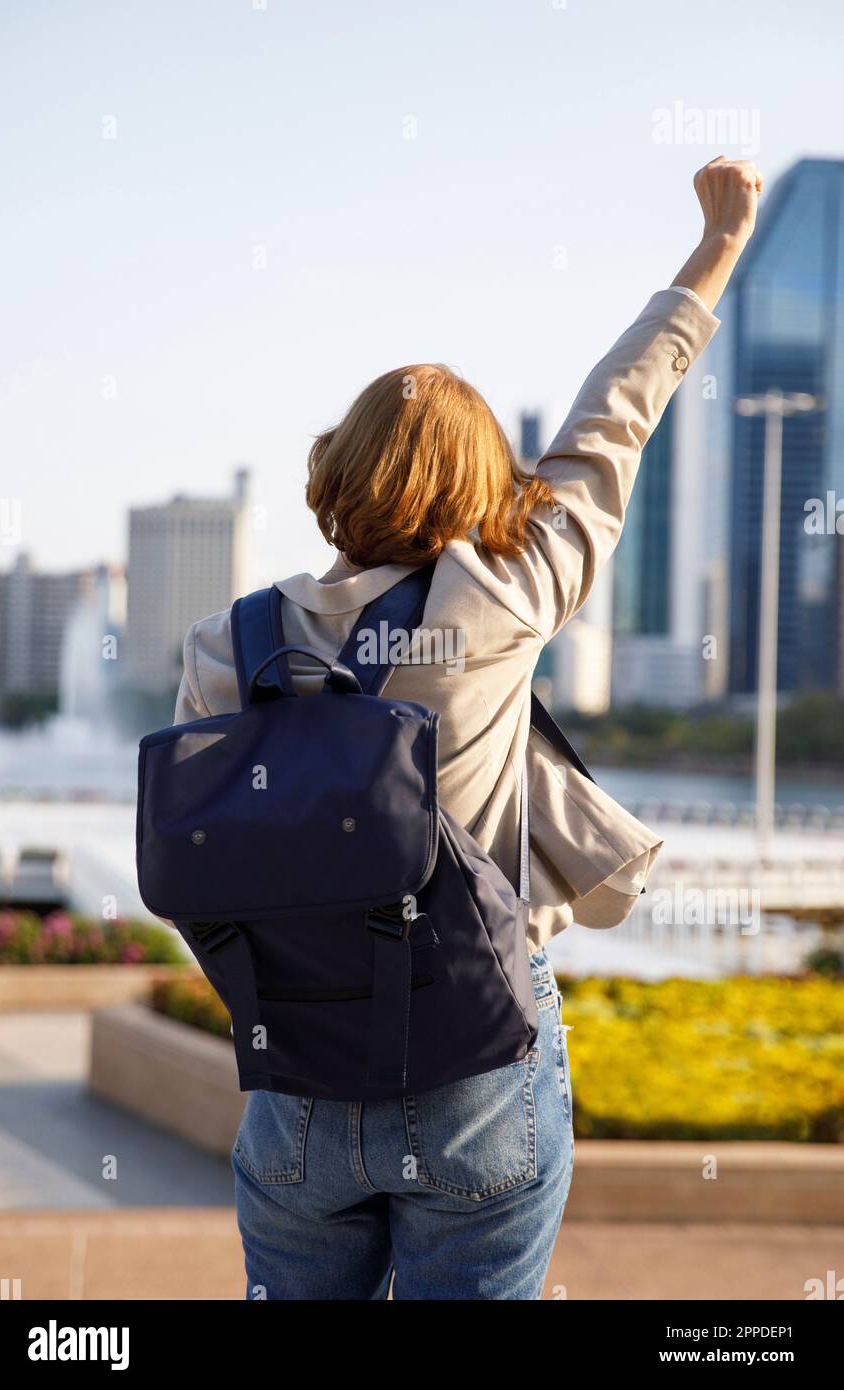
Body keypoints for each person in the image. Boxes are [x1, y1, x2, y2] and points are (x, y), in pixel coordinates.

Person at [173, 156, 762, 1300]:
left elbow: (210, 872)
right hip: (476, 1070)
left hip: (296, 1082)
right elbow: (609, 425)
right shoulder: (493, 605)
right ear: (486, 496)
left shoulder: (224, 649)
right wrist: (715, 247)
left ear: (332, 475)